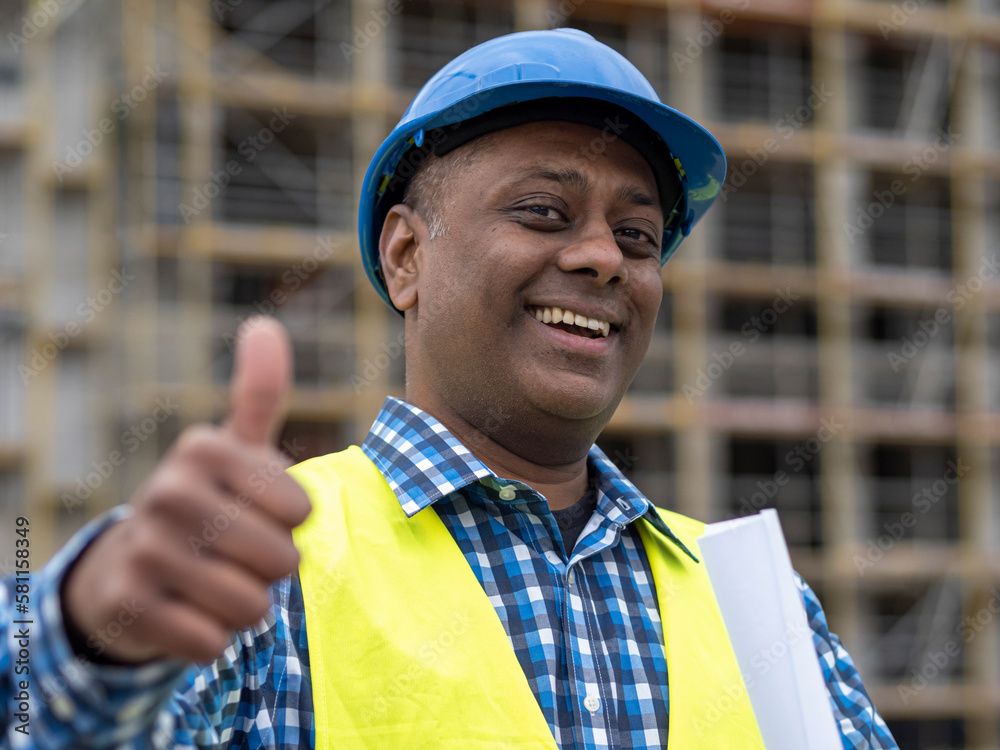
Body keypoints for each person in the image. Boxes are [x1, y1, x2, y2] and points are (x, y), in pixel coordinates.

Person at [1, 29, 897, 750]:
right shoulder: (262, 561)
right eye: (544, 211)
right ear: (405, 257)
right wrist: (92, 637)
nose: (602, 259)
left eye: (637, 235)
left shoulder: (751, 600)